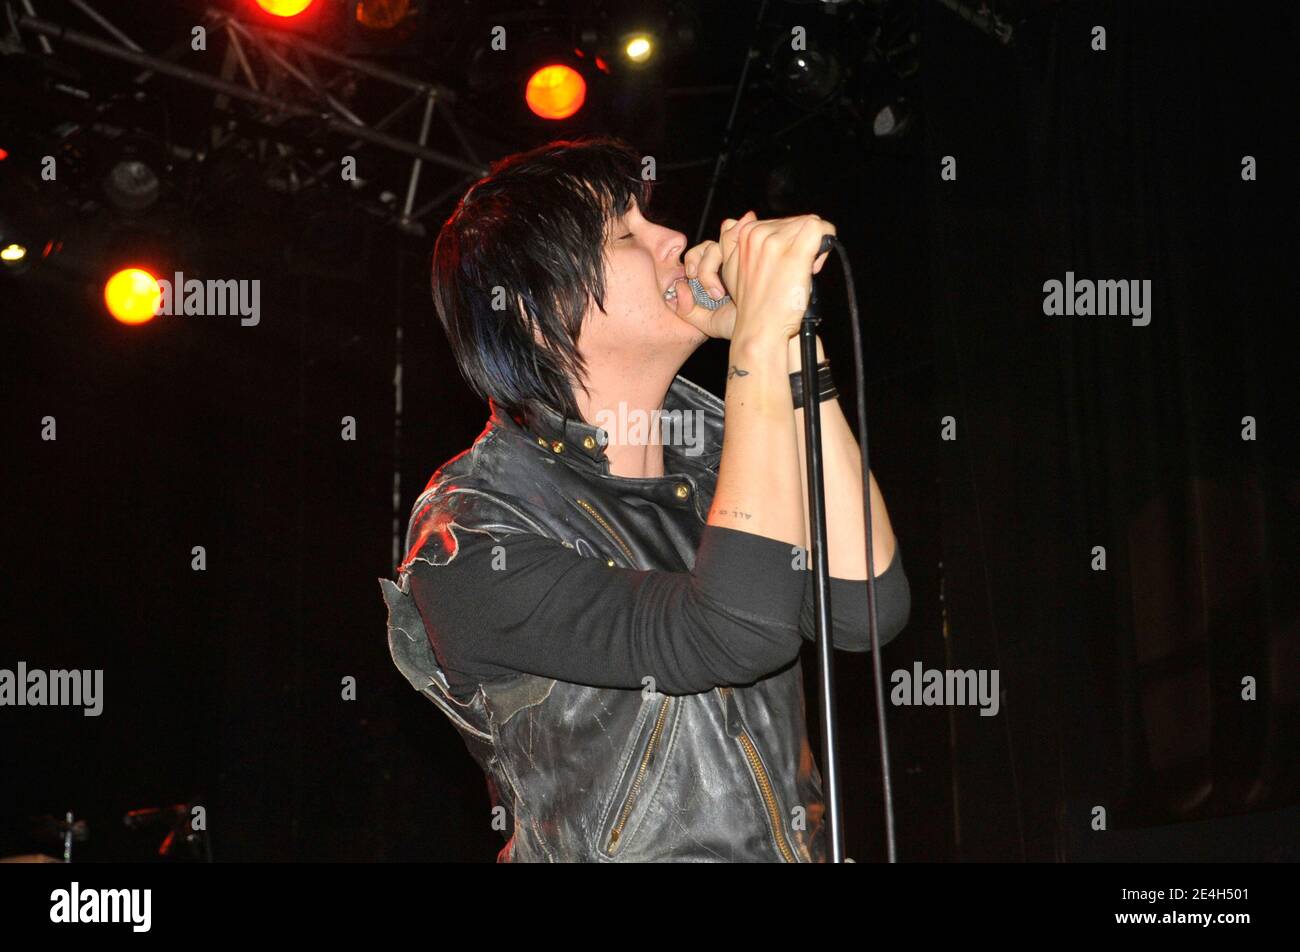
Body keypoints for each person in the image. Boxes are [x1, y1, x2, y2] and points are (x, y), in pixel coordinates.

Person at [378, 135, 911, 862]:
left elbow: (864, 607)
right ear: (538, 308)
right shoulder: (474, 530)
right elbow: (729, 633)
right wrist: (756, 339)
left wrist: (791, 349)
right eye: (625, 233)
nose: (672, 239)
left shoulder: (726, 447)